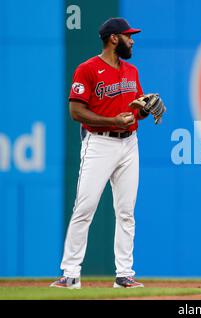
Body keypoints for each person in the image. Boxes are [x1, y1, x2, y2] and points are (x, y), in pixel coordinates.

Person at [50, 17, 166, 289]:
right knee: (85, 208)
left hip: (129, 144)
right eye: (128, 36)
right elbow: (76, 111)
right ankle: (70, 273)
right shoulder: (87, 69)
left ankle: (124, 274)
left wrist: (145, 109)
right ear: (114, 38)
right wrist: (114, 121)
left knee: (126, 212)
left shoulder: (131, 71)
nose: (132, 40)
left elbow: (134, 110)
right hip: (99, 143)